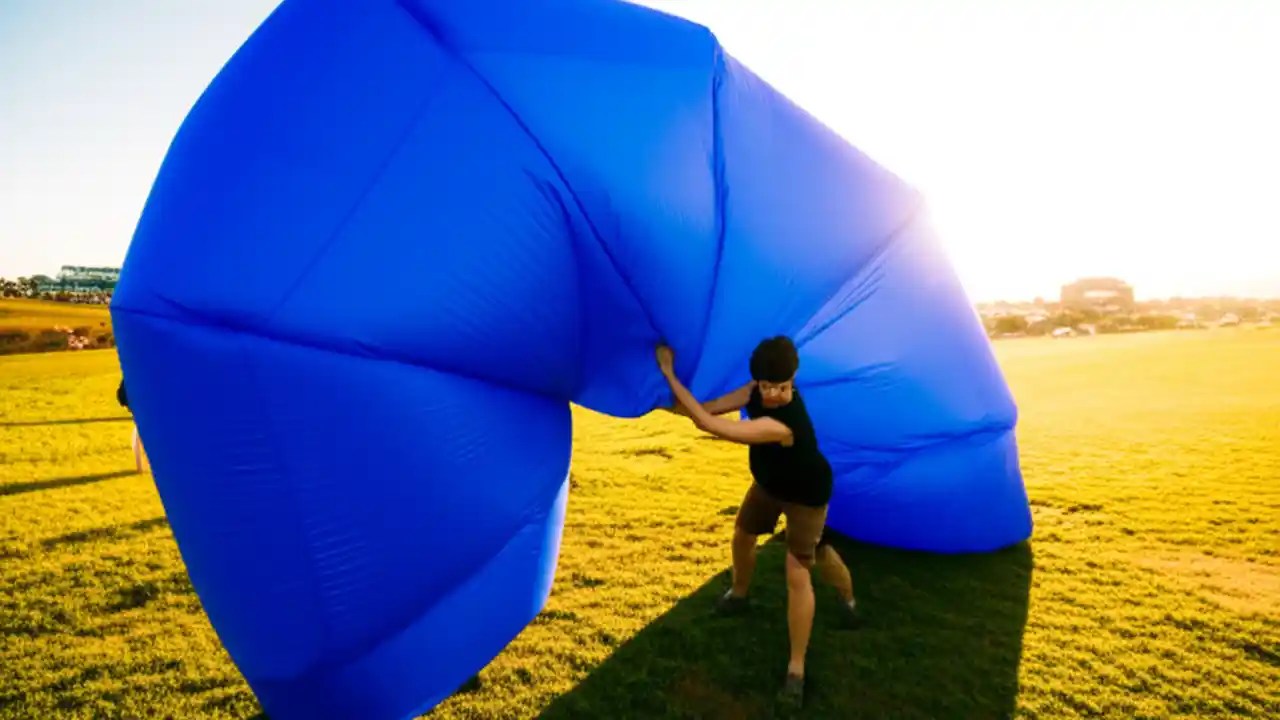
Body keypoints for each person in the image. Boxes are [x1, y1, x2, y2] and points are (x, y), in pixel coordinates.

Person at [655, 336, 859, 708]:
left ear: (793, 379)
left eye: (784, 387)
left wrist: (669, 374)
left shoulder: (784, 424)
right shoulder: (754, 390)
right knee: (743, 534)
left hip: (805, 494)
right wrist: (663, 402)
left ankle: (800, 664)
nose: (777, 394)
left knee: (802, 570)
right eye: (769, 387)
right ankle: (740, 593)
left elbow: (709, 425)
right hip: (768, 483)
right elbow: (710, 409)